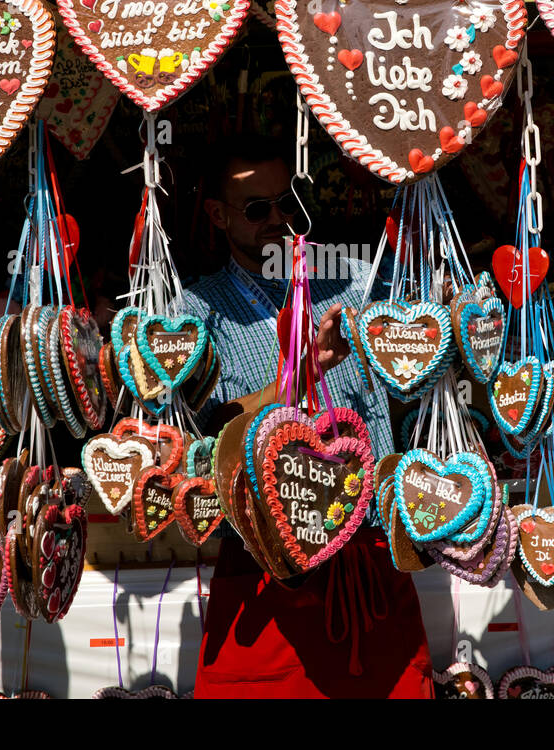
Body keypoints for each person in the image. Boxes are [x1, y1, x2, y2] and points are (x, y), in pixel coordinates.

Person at [180, 139, 433, 698]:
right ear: (219, 216)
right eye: (256, 209)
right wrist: (299, 376)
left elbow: (422, 360)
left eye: (287, 202)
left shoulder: (357, 281)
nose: (279, 220)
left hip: (371, 558)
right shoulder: (196, 314)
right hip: (267, 577)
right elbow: (205, 436)